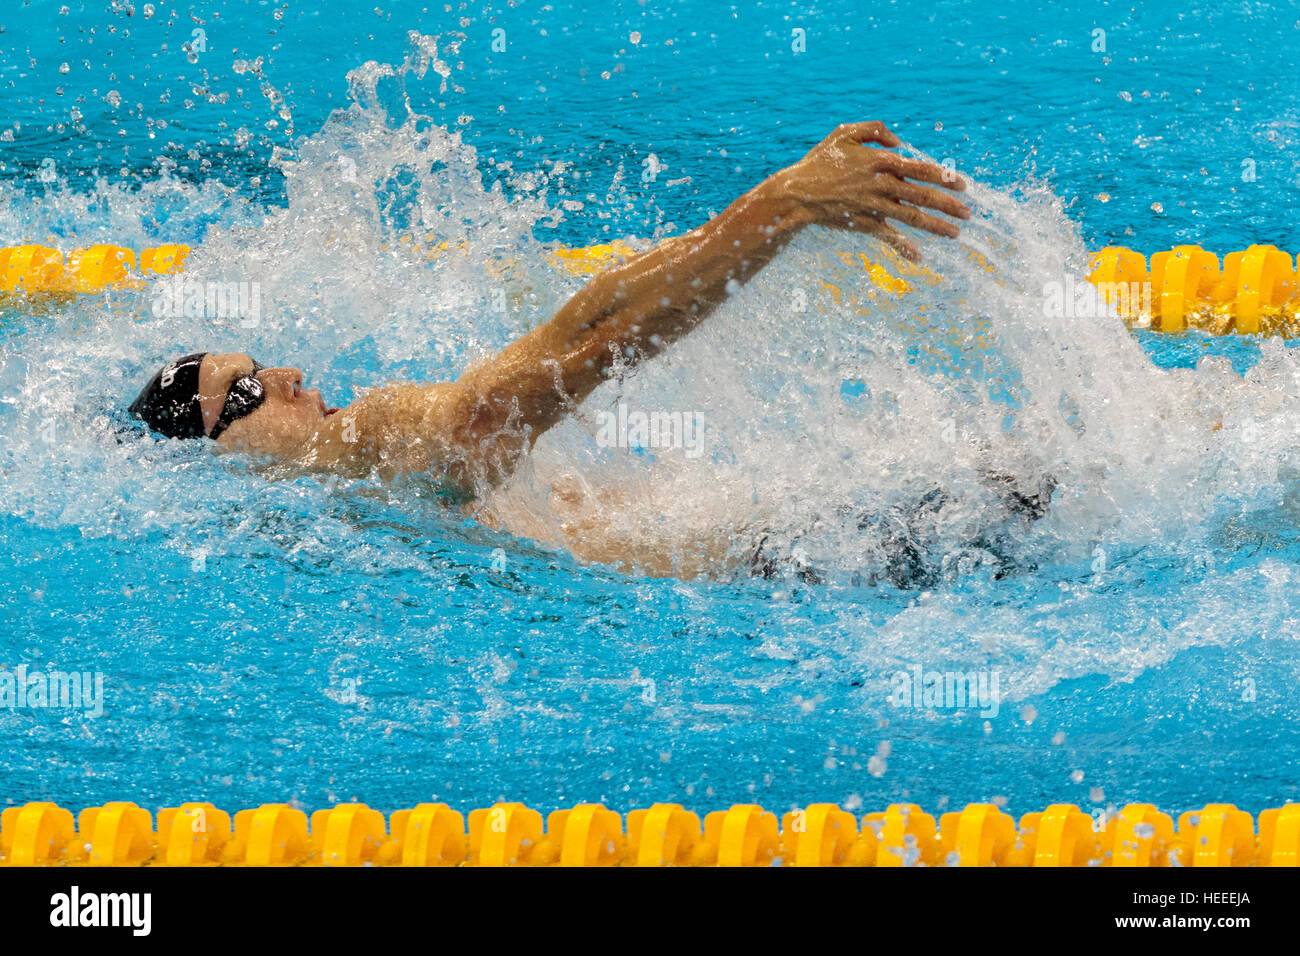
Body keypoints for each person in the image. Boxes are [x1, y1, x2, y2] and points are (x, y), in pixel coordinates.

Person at [130, 121, 973, 575]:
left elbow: (575, 339)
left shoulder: (365, 462)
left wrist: (776, 212)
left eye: (263, 362)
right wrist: (780, 208)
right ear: (215, 456)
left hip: (829, 555)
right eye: (247, 390)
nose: (288, 375)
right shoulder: (356, 467)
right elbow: (573, 350)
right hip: (835, 563)